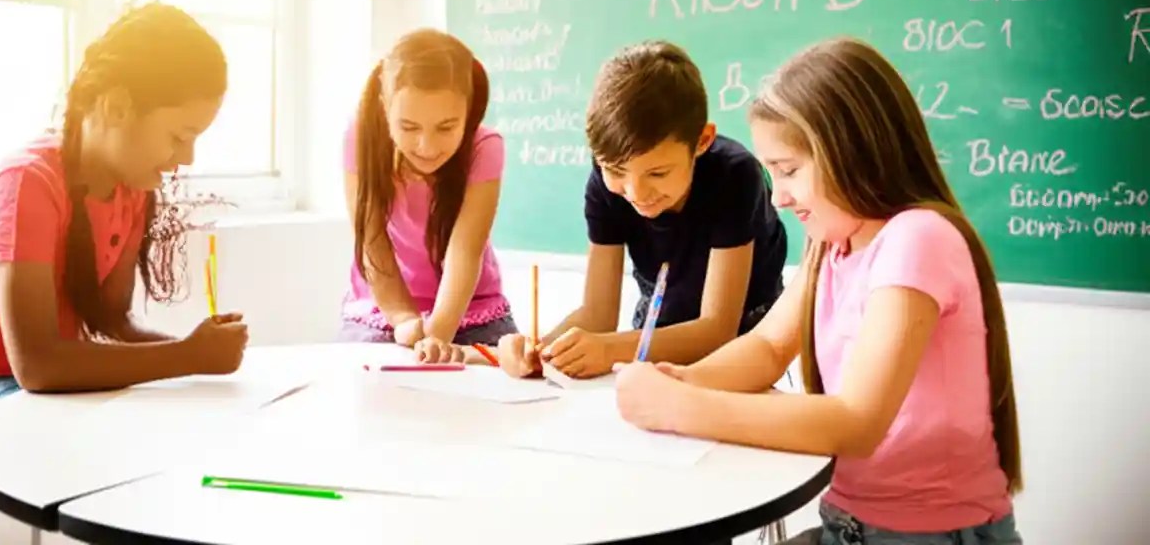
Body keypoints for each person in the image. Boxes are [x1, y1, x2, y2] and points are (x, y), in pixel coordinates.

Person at [614, 36, 1024, 544]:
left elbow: (856, 422)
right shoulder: (833, 246)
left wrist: (679, 408)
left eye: (788, 171)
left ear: (854, 150)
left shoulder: (917, 238)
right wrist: (683, 380)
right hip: (847, 525)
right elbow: (766, 349)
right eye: (772, 174)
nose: (779, 197)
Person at [0, 0, 249, 470]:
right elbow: (39, 366)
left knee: (171, 424)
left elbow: (112, 324)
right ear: (117, 107)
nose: (186, 157)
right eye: (178, 135)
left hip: (37, 391)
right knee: (77, 440)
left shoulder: (131, 191)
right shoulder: (28, 184)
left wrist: (199, 351)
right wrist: (187, 357)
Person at [499, 40, 787, 379]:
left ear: (702, 141)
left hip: (743, 343)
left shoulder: (735, 176)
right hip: (655, 330)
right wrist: (540, 349)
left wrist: (608, 348)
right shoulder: (606, 186)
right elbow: (597, 315)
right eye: (616, 171)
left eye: (658, 173)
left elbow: (716, 331)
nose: (636, 193)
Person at [339, 28, 516, 363]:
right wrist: (403, 319)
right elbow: (371, 241)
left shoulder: (484, 146)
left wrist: (437, 337)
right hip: (382, 308)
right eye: (409, 127)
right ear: (385, 107)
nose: (427, 146)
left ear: (469, 112)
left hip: (470, 311)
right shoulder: (359, 137)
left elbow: (465, 251)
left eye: (446, 127)